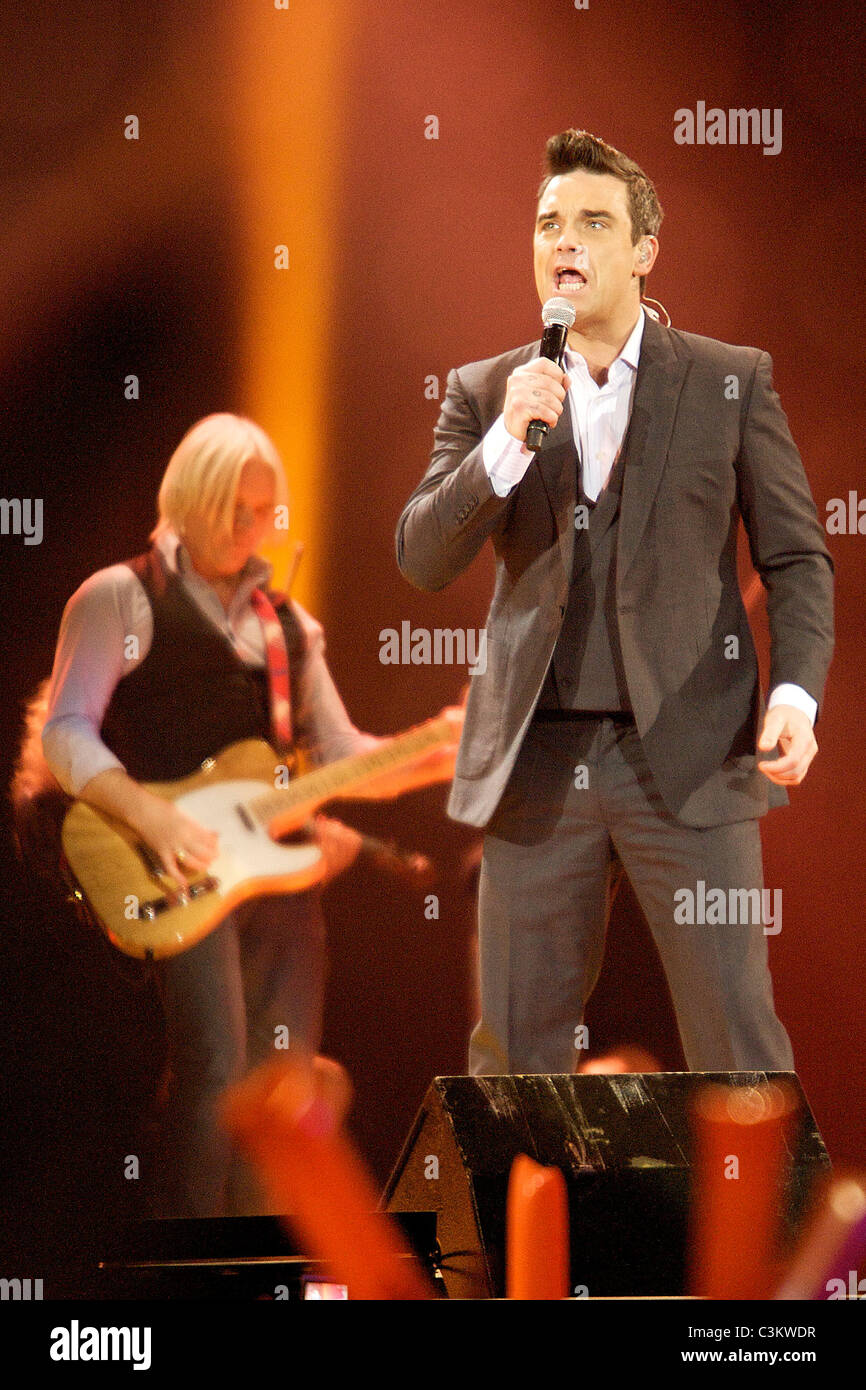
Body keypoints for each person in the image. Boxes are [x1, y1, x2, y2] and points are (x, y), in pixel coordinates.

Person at [396, 129, 833, 1077]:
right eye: (550, 222)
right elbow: (423, 558)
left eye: (595, 222)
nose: (567, 241)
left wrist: (794, 697)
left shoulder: (730, 380)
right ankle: (518, 1232)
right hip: (537, 757)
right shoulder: (487, 395)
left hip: (690, 747)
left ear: (643, 252)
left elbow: (798, 557)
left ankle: (764, 1229)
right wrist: (507, 443)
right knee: (513, 1059)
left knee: (738, 1045)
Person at [42, 412, 461, 1216]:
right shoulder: (119, 598)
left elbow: (342, 760)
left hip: (278, 877)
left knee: (283, 1081)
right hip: (172, 867)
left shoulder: (289, 628)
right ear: (188, 497)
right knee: (215, 1063)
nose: (251, 527)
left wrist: (440, 750)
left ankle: (262, 1274)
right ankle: (189, 1276)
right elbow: (64, 733)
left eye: (264, 511)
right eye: (236, 507)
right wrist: (154, 819)